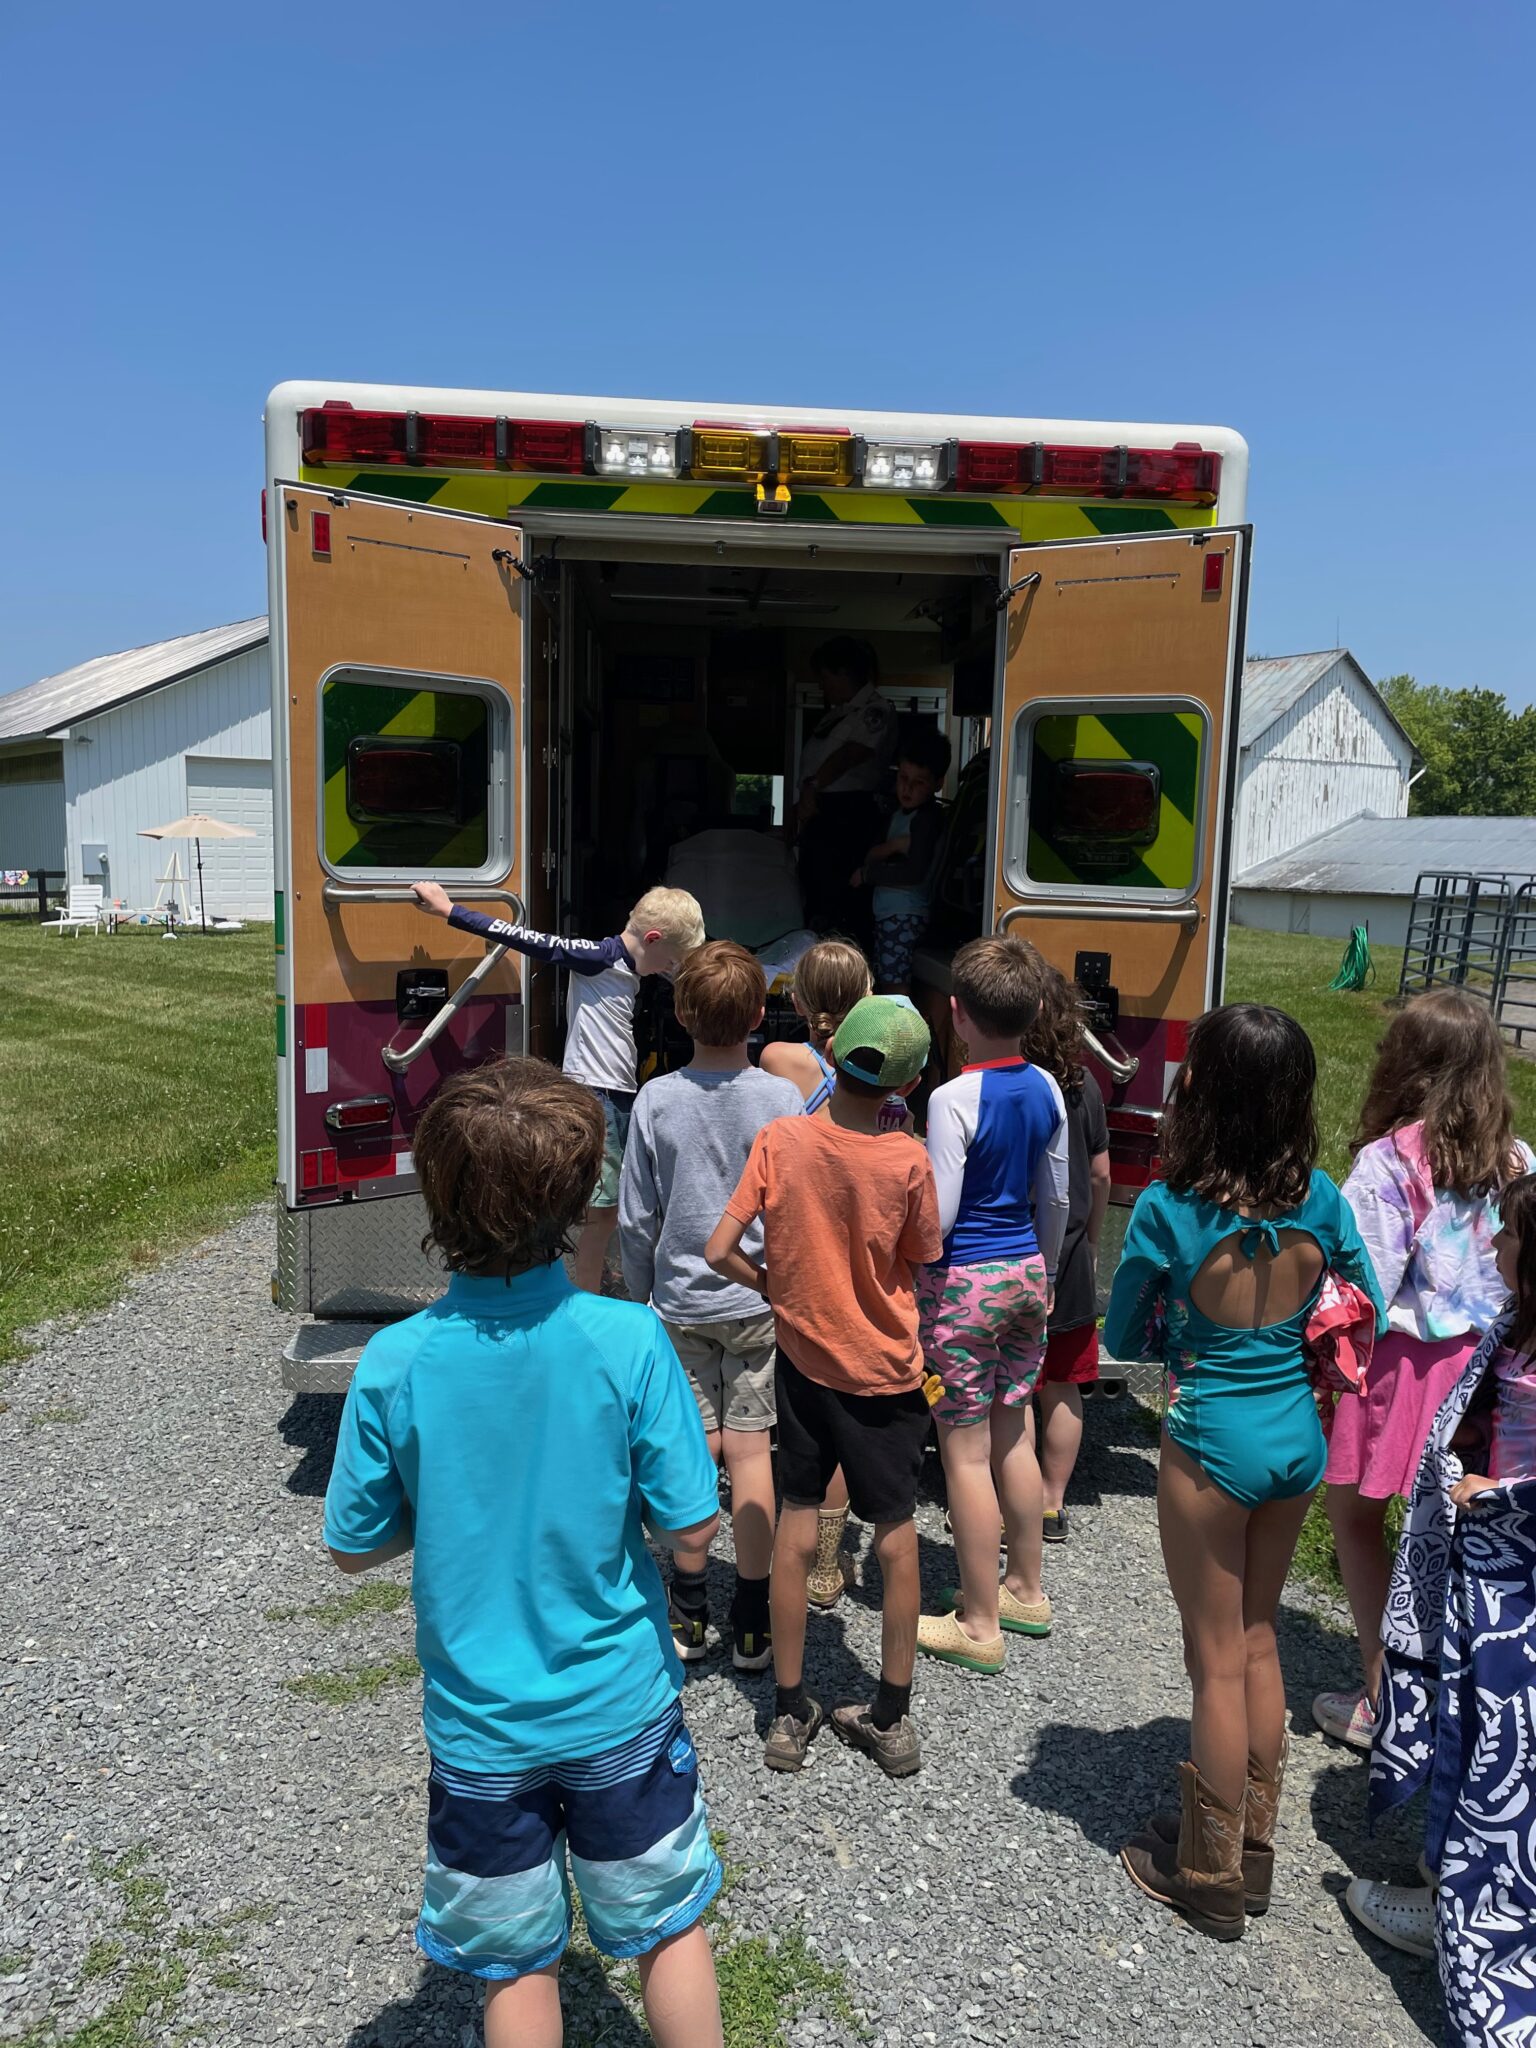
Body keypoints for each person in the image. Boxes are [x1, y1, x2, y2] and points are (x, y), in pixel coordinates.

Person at [321, 1059, 723, 2048]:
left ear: (434, 1193)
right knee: (667, 1928)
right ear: (583, 1196)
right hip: (618, 1704)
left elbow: (352, 1544)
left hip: (481, 1732)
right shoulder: (629, 1338)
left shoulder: (395, 1360)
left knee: (514, 1963)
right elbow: (693, 1526)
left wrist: (450, 1507)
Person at [1106, 1004, 1386, 1941]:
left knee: (1213, 1660)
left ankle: (1208, 1873)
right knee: (1259, 1638)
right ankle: (1256, 1850)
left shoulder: (1169, 1208)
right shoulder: (1323, 1198)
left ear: (1204, 1092)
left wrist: (1178, 1332)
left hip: (1212, 1438)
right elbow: (1365, 1305)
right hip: (1297, 1438)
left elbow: (1122, 1333)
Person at [706, 996, 941, 1778]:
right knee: (896, 1533)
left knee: (798, 1524)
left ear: (833, 1050)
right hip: (890, 1375)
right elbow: (922, 1252)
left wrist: (774, 1288)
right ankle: (892, 1717)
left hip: (806, 1369)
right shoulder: (907, 1158)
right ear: (909, 1080)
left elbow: (717, 1250)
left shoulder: (782, 1139)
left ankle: (787, 1710)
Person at [1314, 990, 1531, 1753]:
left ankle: (1384, 1695)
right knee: (1447, 1538)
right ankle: (1452, 1694)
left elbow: (1360, 1283)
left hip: (1401, 1371)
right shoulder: (1519, 1159)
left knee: (1355, 1517)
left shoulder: (1387, 1164)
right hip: (1491, 1371)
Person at [1351, 1174, 1536, 2032]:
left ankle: (1482, 1932)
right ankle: (1442, 1898)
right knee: (1464, 1735)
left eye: (1510, 1241)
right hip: (1475, 1578)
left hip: (1517, 1592)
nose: (1495, 1250)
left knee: (1501, 1764)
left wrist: (1494, 1498)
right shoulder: (1515, 1331)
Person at [617, 941, 804, 1672]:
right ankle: (753, 1617)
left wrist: (642, 1296)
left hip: (683, 1304)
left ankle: (689, 1608)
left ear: (679, 1013)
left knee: (689, 1452)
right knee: (755, 1451)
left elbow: (637, 1217)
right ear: (761, 1014)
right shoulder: (782, 1099)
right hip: (759, 1297)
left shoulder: (657, 1099)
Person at [412, 880, 705, 1294]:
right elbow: (527, 939)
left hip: (619, 1094)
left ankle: (592, 1285)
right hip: (597, 1094)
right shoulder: (599, 958)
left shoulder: (629, 965)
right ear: (652, 939)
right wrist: (450, 911)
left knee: (610, 1209)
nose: (668, 971)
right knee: (601, 1213)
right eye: (668, 962)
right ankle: (584, 1296)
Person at [913, 937, 1068, 1676]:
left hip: (964, 1286)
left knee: (964, 1452)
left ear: (955, 1016)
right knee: (1016, 1430)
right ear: (1035, 1011)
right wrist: (1038, 1265)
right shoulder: (1049, 1086)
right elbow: (1058, 1195)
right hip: (1029, 1274)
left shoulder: (951, 1099)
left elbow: (938, 1215)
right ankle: (1024, 1590)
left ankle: (977, 1623)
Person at [760, 938, 875, 1608]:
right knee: (844, 1404)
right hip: (859, 1249)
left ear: (798, 1000)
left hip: (800, 1247)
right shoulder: (875, 1064)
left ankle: (796, 1550)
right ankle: (831, 1564)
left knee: (800, 1404)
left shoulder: (781, 1060)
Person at [1022, 966, 1111, 1544]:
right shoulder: (1084, 1085)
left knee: (1011, 1391)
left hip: (1013, 1250)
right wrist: (1094, 1238)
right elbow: (1101, 1174)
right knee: (1062, 1386)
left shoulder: (1009, 1084)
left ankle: (1011, 1499)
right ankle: (1051, 1502)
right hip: (1072, 1252)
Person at [794, 638, 897, 941]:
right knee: (815, 892)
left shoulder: (874, 710)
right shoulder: (838, 713)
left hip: (849, 814)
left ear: (843, 673)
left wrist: (813, 787)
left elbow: (852, 754)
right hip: (822, 810)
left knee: (843, 898)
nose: (821, 686)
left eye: (825, 678)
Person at [851, 727, 953, 994]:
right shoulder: (901, 815)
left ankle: (902, 1035)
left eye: (919, 782)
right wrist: (892, 847)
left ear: (938, 783)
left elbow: (914, 872)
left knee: (896, 986)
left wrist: (868, 875)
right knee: (889, 978)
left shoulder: (925, 819)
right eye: (903, 777)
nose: (907, 788)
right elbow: (874, 852)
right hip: (893, 915)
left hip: (904, 916)